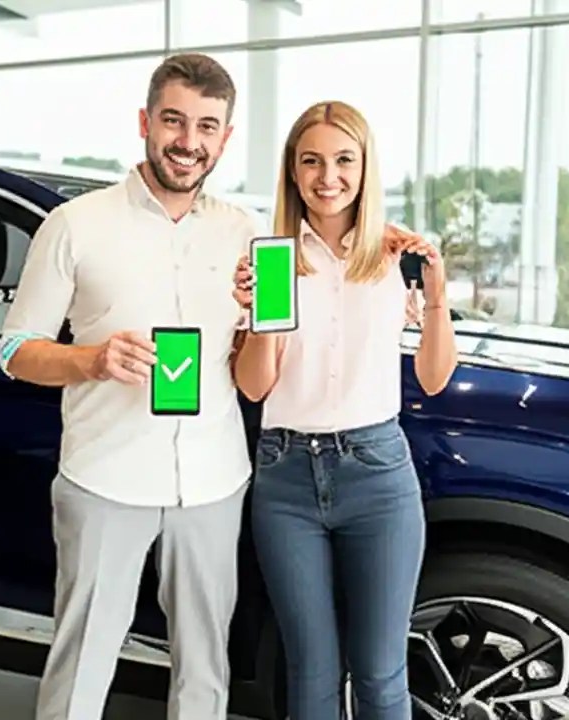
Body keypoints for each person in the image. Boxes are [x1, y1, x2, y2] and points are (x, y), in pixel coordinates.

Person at [0, 52, 265, 720]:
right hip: (104, 479)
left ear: (225, 139)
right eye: (174, 120)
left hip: (212, 480)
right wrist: (89, 360)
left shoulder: (246, 232)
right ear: (145, 121)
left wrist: (261, 324)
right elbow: (13, 351)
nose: (188, 141)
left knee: (205, 671)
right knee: (83, 662)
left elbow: (250, 365)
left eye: (207, 127)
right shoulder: (75, 224)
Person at [229, 100, 458, 719]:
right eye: (311, 162)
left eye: (342, 160)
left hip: (377, 473)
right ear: (293, 172)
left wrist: (436, 295)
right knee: (311, 672)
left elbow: (433, 380)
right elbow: (254, 387)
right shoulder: (274, 257)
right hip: (286, 476)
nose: (327, 177)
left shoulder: (397, 257)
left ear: (365, 166)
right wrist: (258, 320)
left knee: (381, 673)